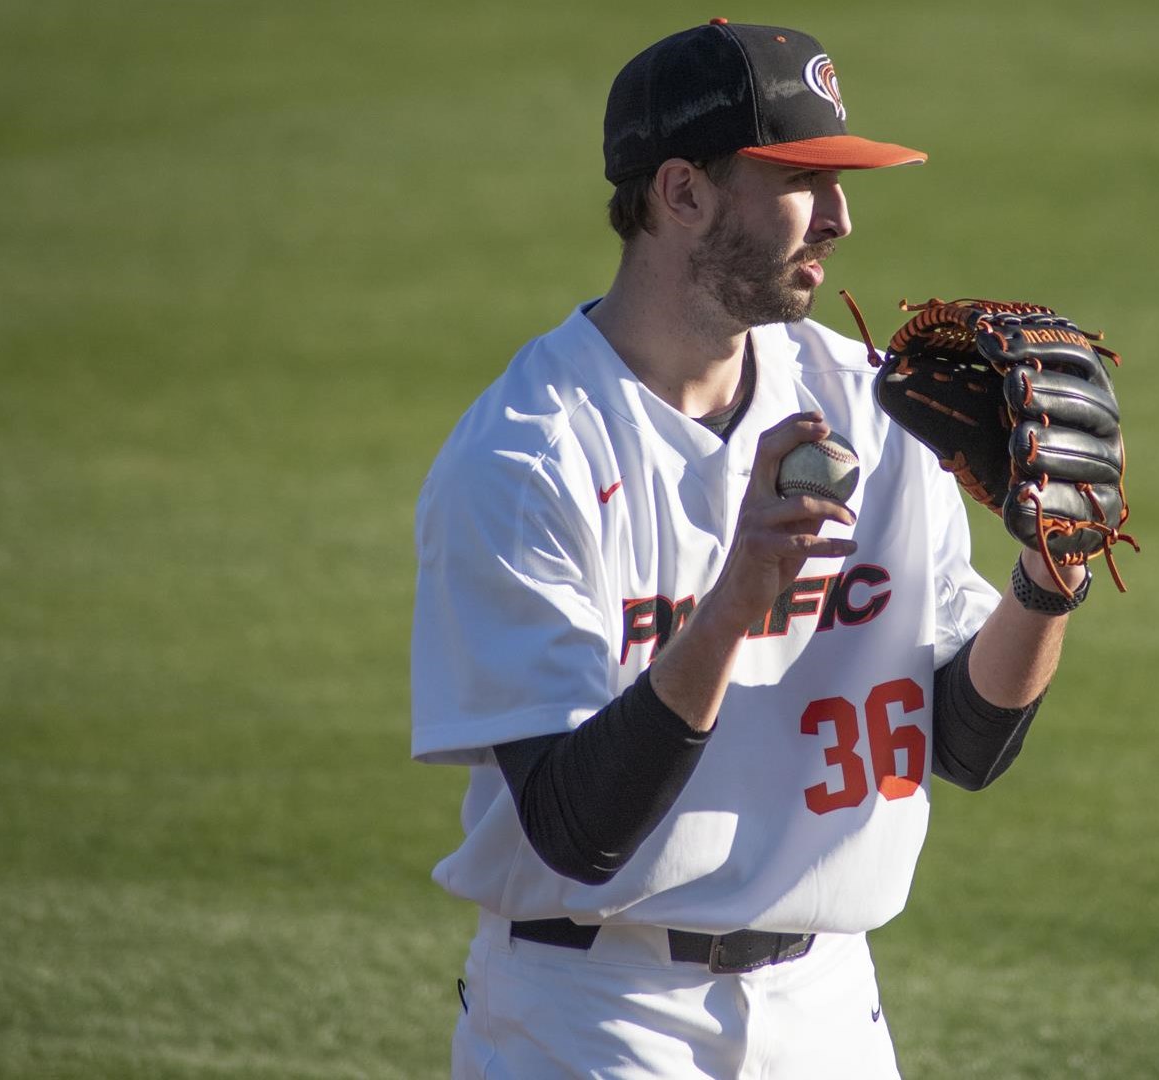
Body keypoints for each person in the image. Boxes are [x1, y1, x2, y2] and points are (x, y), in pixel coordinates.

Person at [411, 19, 1100, 1078]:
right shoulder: (528, 459)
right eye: (801, 181)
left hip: (827, 1009)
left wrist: (1048, 581)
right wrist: (737, 600)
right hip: (594, 1013)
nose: (841, 218)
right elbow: (574, 828)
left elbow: (964, 745)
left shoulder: (876, 408)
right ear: (680, 192)